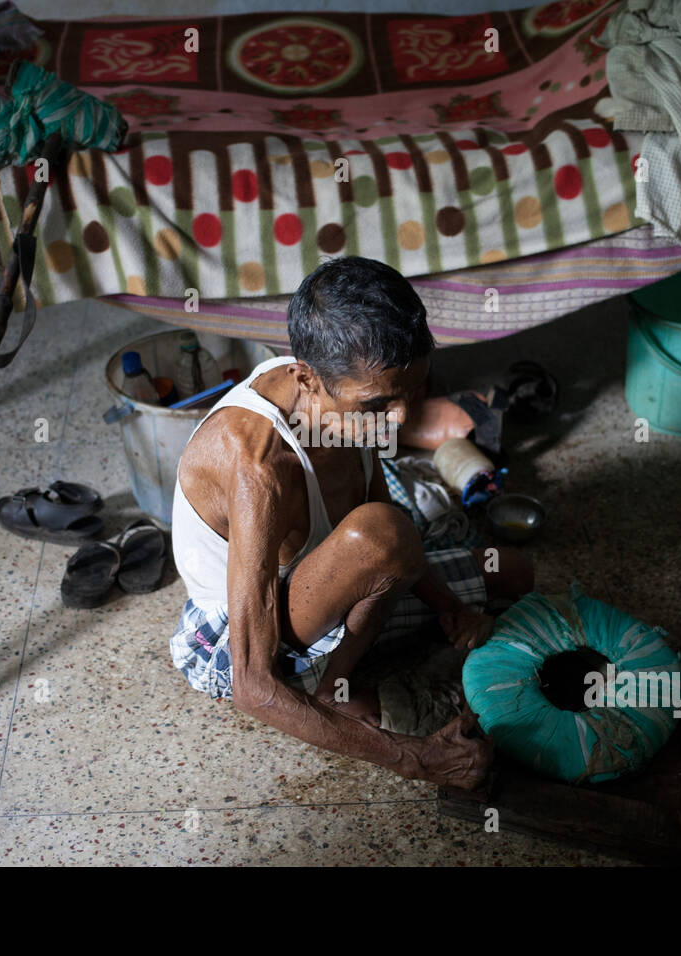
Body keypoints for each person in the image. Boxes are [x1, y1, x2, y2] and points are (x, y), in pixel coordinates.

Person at [169, 256, 534, 793]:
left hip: (330, 577)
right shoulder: (255, 462)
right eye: (380, 404)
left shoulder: (347, 404)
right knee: (377, 534)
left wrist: (450, 608)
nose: (401, 419)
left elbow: (394, 527)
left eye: (412, 391)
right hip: (237, 638)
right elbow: (252, 684)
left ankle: (333, 681)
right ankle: (331, 683)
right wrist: (420, 759)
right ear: (305, 378)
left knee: (512, 573)